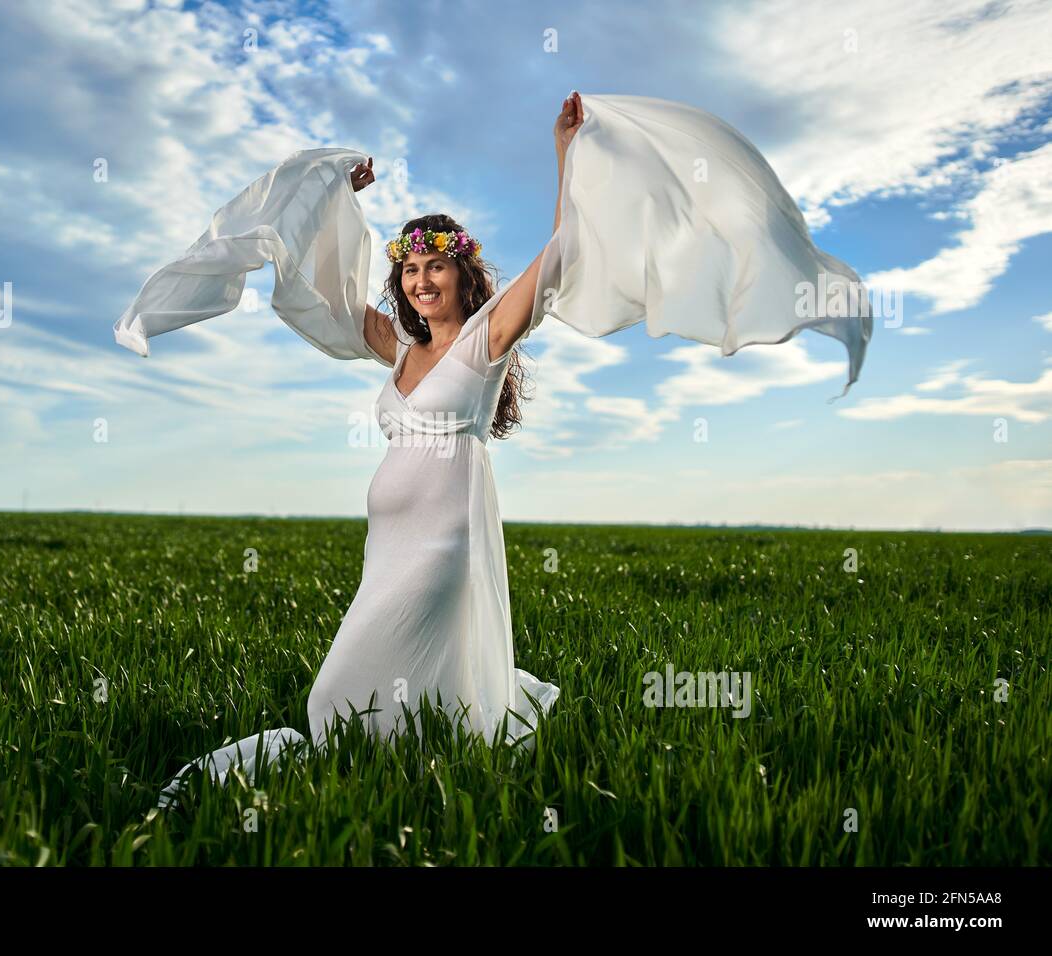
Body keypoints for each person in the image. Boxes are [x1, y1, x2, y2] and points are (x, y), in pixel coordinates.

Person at [114, 93, 872, 808]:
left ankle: (415, 766)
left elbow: (562, 255)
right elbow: (333, 299)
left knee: (339, 691)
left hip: (444, 540)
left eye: (434, 266)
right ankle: (412, 763)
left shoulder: (486, 341)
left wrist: (566, 154)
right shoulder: (399, 348)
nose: (419, 282)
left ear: (462, 272)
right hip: (388, 542)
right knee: (362, 693)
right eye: (408, 270)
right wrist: (338, 195)